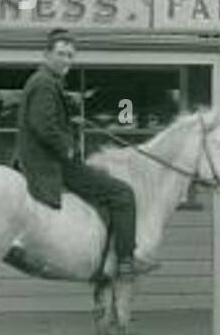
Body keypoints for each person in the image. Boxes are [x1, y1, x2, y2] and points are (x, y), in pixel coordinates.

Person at [13, 28, 159, 279]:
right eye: (61, 54)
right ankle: (125, 261)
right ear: (46, 54)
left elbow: (49, 120)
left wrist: (72, 121)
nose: (66, 60)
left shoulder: (45, 82)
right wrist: (67, 147)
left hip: (44, 159)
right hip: (51, 164)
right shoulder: (44, 83)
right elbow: (43, 125)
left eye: (70, 55)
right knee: (122, 194)